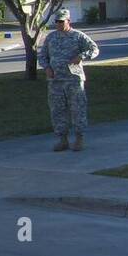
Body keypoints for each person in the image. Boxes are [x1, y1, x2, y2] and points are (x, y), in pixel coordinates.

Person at [38, 10, 99, 151]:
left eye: (61, 21)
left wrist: (82, 56)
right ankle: (62, 139)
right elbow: (43, 56)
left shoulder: (78, 36)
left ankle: (79, 138)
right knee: (57, 110)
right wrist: (47, 67)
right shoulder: (51, 37)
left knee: (78, 109)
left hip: (74, 80)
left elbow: (94, 49)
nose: (59, 24)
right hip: (55, 81)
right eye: (57, 21)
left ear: (68, 21)